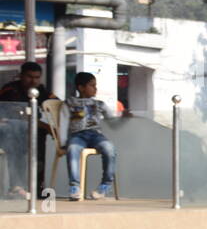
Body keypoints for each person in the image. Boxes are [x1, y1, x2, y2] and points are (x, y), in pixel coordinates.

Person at [63, 72, 120, 200]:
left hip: (95, 135)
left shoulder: (100, 104)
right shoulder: (70, 103)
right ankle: (74, 187)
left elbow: (112, 120)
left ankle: (105, 186)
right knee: (73, 149)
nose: (95, 88)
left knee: (109, 148)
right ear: (81, 87)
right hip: (77, 135)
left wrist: (123, 117)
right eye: (91, 85)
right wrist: (63, 141)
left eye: (95, 85)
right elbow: (64, 122)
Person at [0, 61, 53, 196]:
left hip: (33, 135)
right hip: (8, 134)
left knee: (39, 148)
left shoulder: (42, 91)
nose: (33, 81)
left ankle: (37, 188)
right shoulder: (9, 90)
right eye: (29, 77)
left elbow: (56, 106)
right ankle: (16, 185)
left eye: (37, 77)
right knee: (15, 138)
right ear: (21, 76)